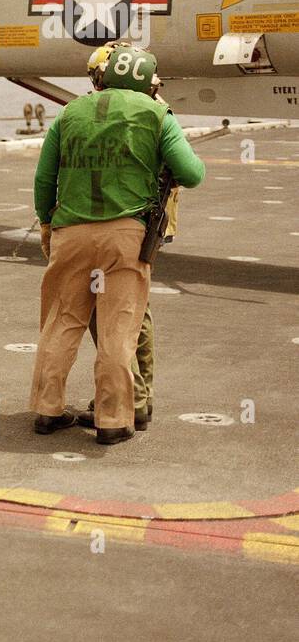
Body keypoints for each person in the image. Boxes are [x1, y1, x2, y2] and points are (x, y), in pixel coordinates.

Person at [28, 44, 204, 445]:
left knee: (61, 323)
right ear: (146, 81)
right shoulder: (156, 113)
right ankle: (113, 421)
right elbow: (191, 174)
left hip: (69, 233)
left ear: (103, 76)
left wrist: (47, 223)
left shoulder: (70, 111)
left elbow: (44, 180)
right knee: (118, 331)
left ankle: (46, 410)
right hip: (125, 235)